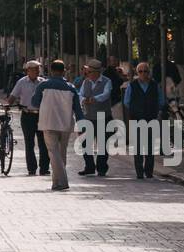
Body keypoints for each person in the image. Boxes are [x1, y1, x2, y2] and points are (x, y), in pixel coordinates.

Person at [36, 60, 83, 190]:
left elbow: (35, 102)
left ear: (51, 70)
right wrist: (82, 125)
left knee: (53, 152)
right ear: (64, 71)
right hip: (66, 124)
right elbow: (78, 109)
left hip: (48, 122)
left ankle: (62, 181)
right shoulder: (71, 88)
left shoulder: (43, 85)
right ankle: (56, 182)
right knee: (61, 153)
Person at [6, 60, 51, 175]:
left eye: (38, 69)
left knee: (44, 142)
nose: (37, 71)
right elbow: (13, 95)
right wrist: (8, 104)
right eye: (34, 69)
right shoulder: (21, 82)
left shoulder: (43, 82)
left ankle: (44, 168)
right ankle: (31, 168)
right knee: (29, 142)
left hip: (41, 115)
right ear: (28, 70)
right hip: (27, 115)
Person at [122, 62, 166, 179]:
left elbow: (161, 101)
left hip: (151, 119)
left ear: (148, 72)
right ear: (137, 73)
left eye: (145, 71)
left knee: (150, 147)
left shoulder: (154, 85)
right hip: (136, 120)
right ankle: (139, 172)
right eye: (140, 71)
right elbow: (126, 102)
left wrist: (156, 110)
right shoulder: (132, 85)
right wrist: (135, 110)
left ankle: (149, 171)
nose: (143, 74)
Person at [77, 59, 111, 176]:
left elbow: (106, 95)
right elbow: (80, 94)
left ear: (96, 72)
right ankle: (89, 166)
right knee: (85, 143)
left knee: (102, 144)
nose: (87, 74)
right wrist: (83, 99)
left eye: (89, 72)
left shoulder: (107, 81)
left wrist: (95, 98)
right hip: (88, 116)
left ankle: (101, 168)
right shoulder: (86, 82)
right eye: (87, 72)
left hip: (103, 116)